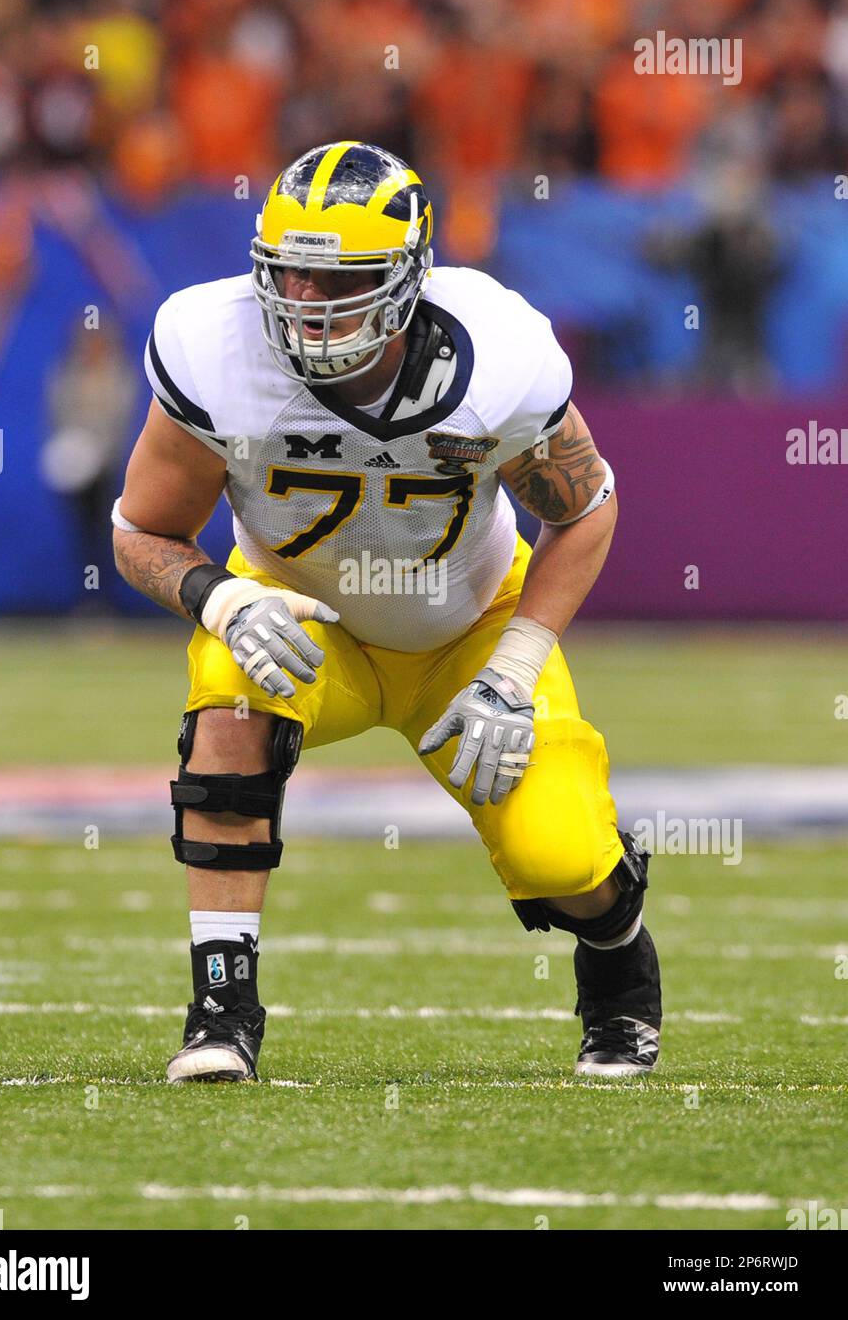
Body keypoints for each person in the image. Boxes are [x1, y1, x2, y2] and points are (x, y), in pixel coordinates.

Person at [112, 141, 662, 1084]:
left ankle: (618, 961)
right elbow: (141, 531)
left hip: (467, 631)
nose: (308, 302)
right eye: (291, 273)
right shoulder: (213, 345)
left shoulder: (495, 356)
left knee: (561, 857)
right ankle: (222, 1013)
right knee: (230, 699)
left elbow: (586, 508)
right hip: (299, 625)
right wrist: (223, 597)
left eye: (342, 279)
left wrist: (516, 664)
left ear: (408, 278)